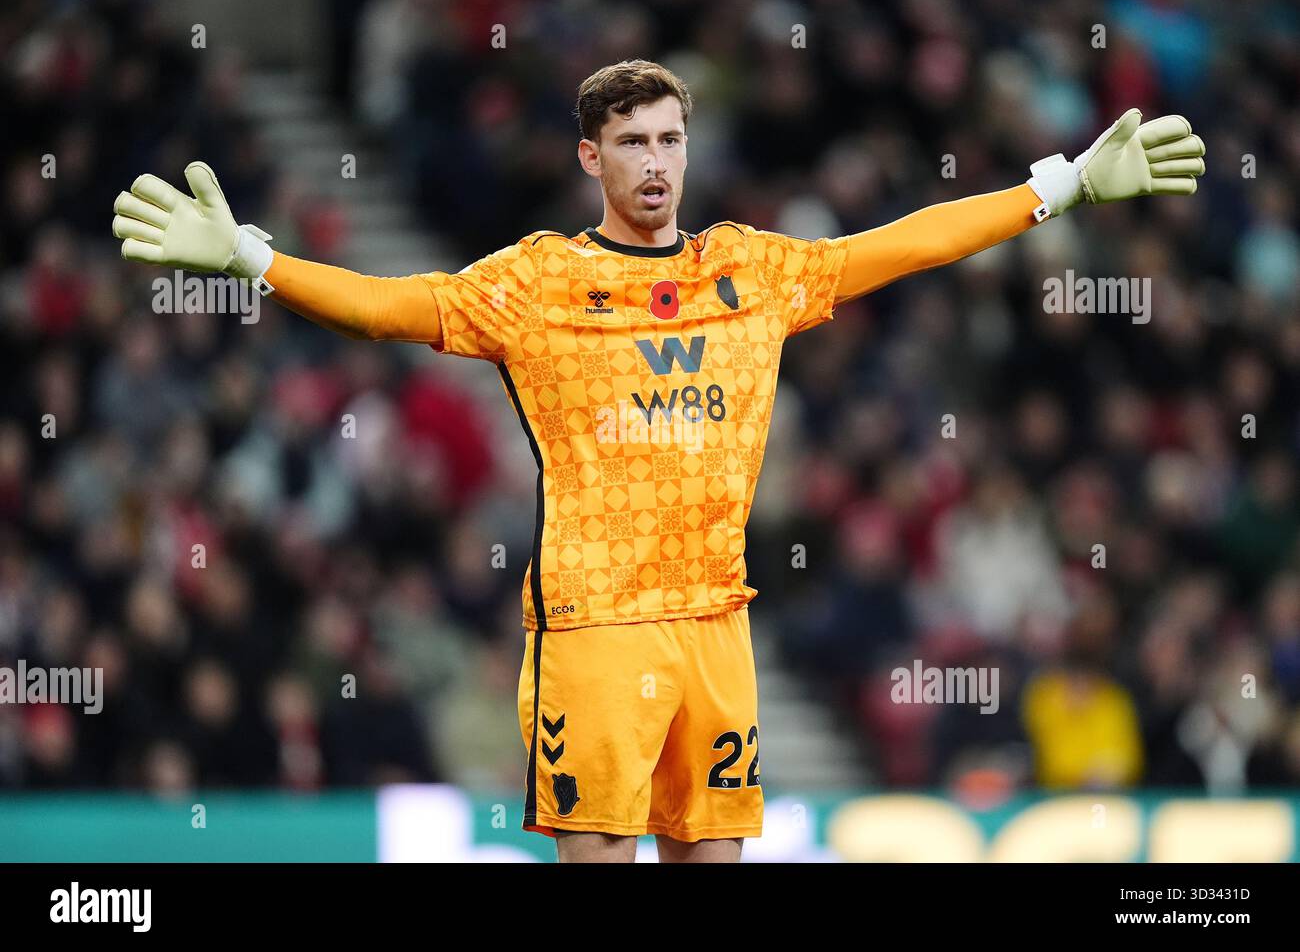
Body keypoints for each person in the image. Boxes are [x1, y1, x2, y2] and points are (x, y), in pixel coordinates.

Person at [110, 59, 1205, 863]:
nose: (655, 163)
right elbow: (392, 307)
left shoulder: (752, 270)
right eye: (632, 142)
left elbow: (906, 241)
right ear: (591, 156)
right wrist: (252, 254)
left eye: (670, 139)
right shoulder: (535, 282)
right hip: (593, 624)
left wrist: (1060, 184)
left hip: (714, 624)